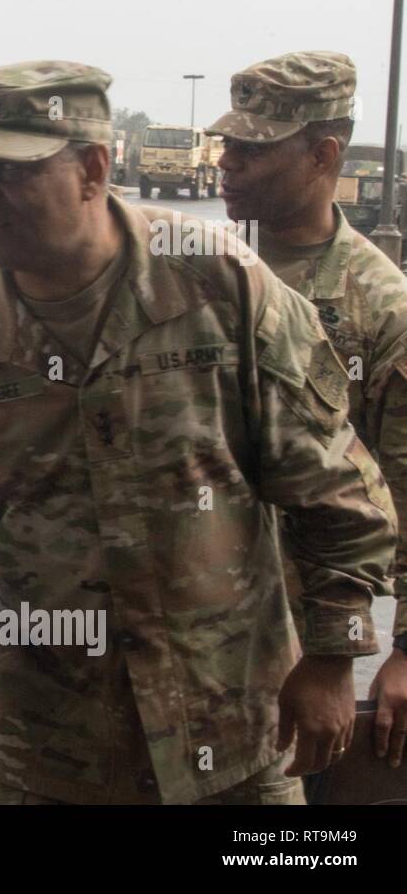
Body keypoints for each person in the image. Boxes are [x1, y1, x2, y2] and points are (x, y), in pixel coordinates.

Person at [0, 60, 398, 804]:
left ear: (93, 170)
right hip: (49, 756)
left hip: (229, 739)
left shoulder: (220, 287)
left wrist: (334, 656)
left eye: (8, 173)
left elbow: (335, 487)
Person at [208, 50, 407, 769]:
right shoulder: (206, 270)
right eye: (227, 143)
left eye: (252, 148)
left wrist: (399, 653)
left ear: (323, 154)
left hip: (301, 644)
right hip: (192, 630)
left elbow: (402, 487)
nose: (226, 161)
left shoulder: (378, 306)